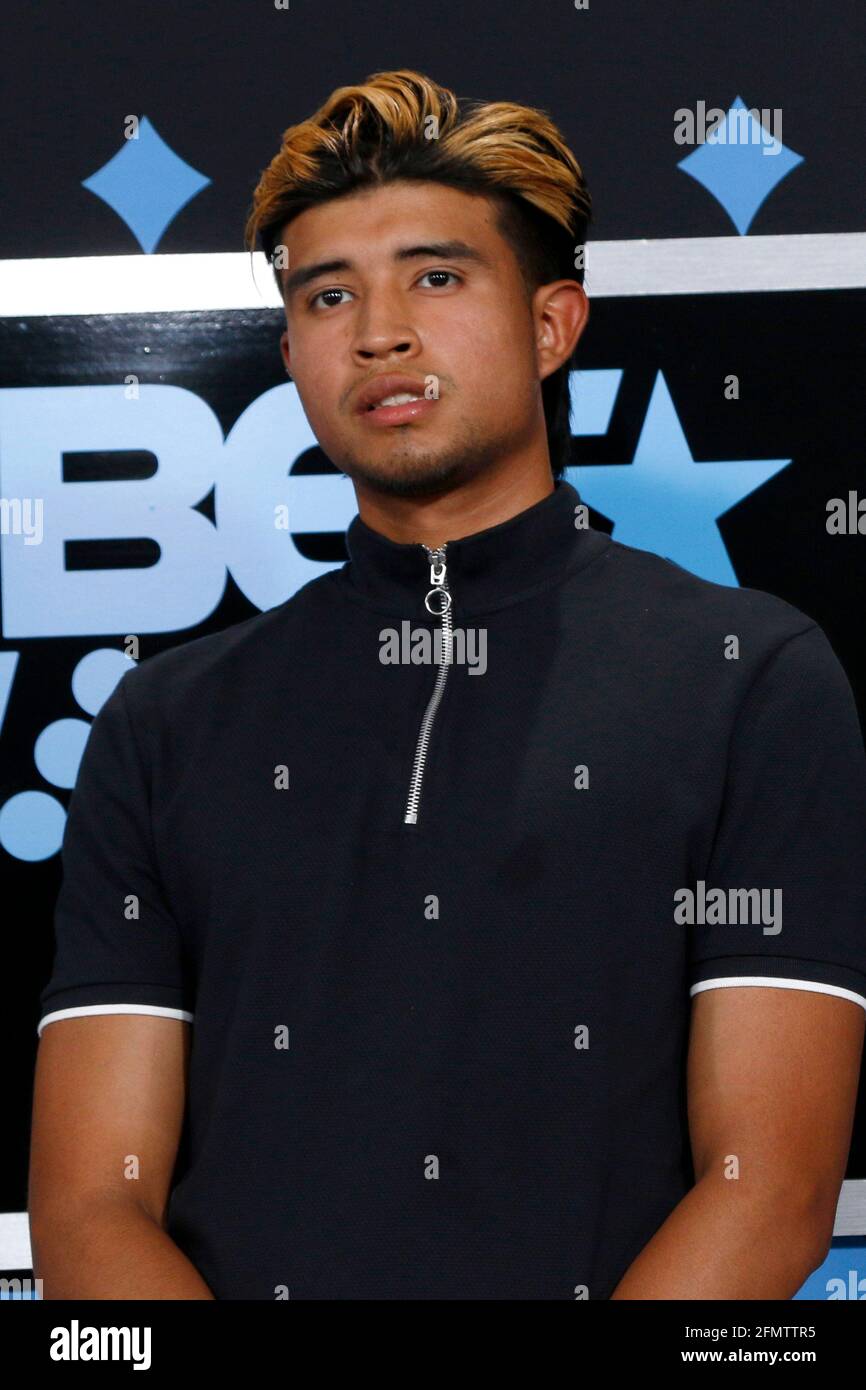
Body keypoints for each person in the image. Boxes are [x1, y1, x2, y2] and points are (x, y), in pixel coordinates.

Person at [29, 69, 866, 1300]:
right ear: (292, 354)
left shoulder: (750, 679)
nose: (379, 332)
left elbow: (768, 1193)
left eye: (434, 277)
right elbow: (90, 1206)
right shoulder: (167, 721)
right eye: (329, 295)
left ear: (551, 325)